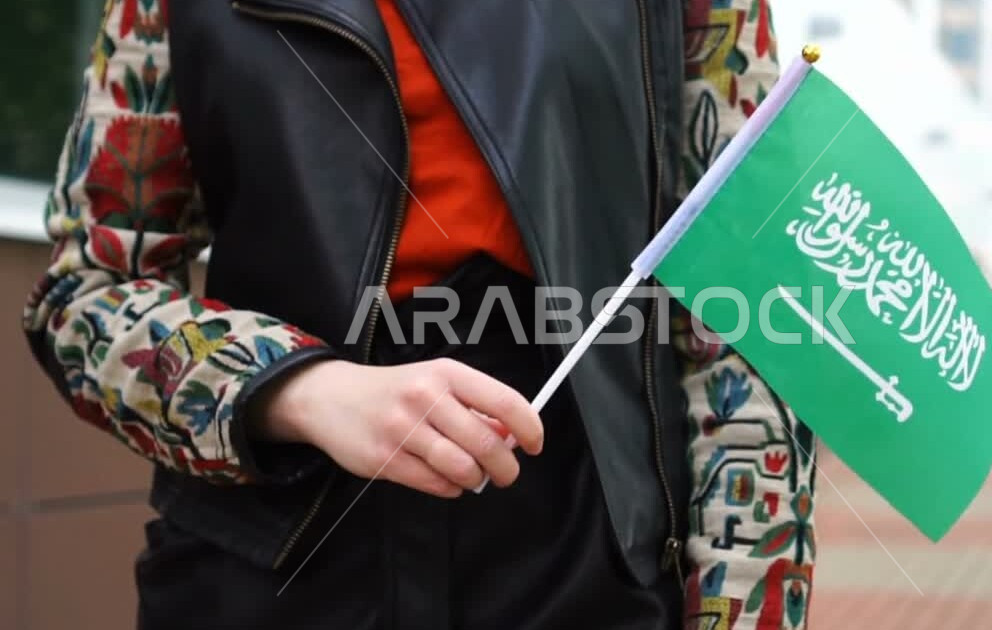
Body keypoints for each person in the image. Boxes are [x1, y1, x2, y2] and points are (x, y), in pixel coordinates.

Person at [22, 0, 816, 628]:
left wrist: (744, 609)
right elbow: (82, 297)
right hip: (272, 559)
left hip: (583, 550)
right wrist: (298, 388)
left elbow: (748, 326)